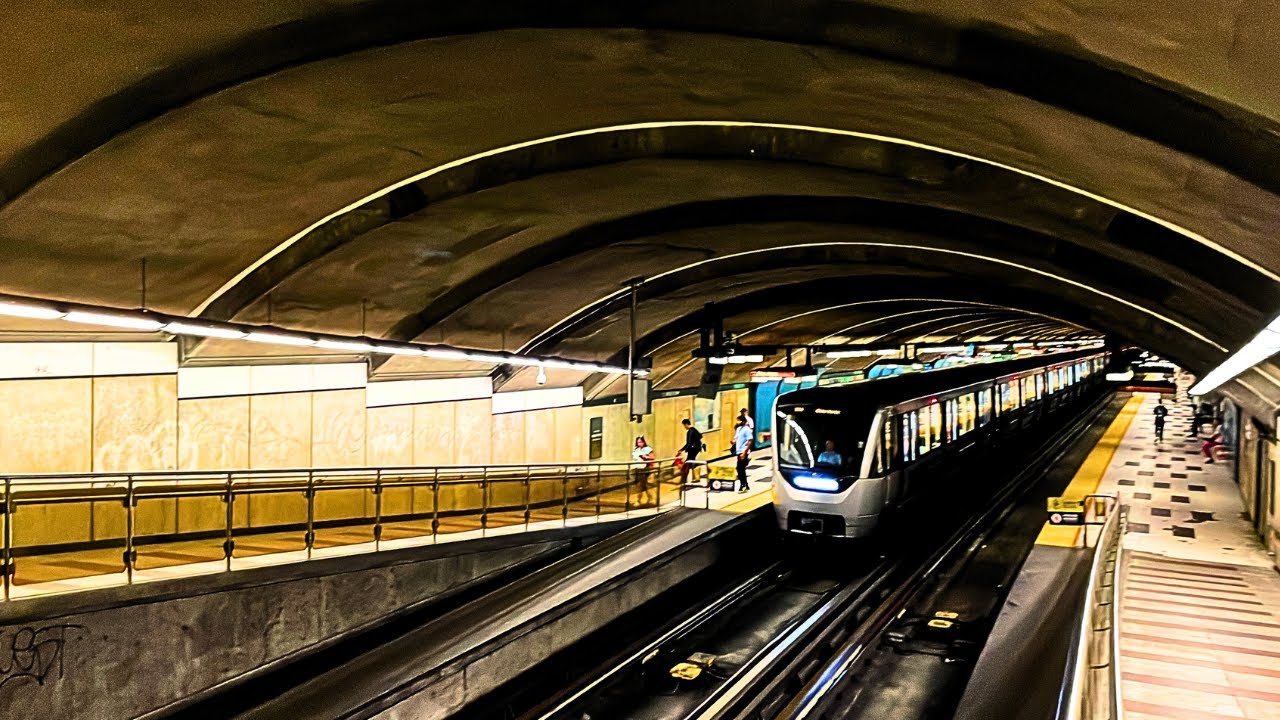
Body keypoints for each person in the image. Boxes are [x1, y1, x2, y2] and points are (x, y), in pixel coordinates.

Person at [632, 436, 656, 504]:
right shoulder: (637, 450)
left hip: (646, 469)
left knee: (643, 485)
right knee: (642, 485)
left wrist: (646, 457)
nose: (639, 444)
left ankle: (639, 500)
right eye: (638, 442)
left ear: (643, 442)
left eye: (641, 442)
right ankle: (649, 498)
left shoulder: (647, 449)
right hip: (638, 468)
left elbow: (652, 457)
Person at [733, 419, 753, 493]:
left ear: (743, 421)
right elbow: (736, 438)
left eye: (739, 420)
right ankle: (746, 485)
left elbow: (750, 440)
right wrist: (733, 442)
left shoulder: (747, 430)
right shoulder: (738, 429)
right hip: (739, 451)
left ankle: (743, 485)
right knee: (741, 469)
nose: (738, 422)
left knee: (740, 468)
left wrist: (745, 452)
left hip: (743, 451)